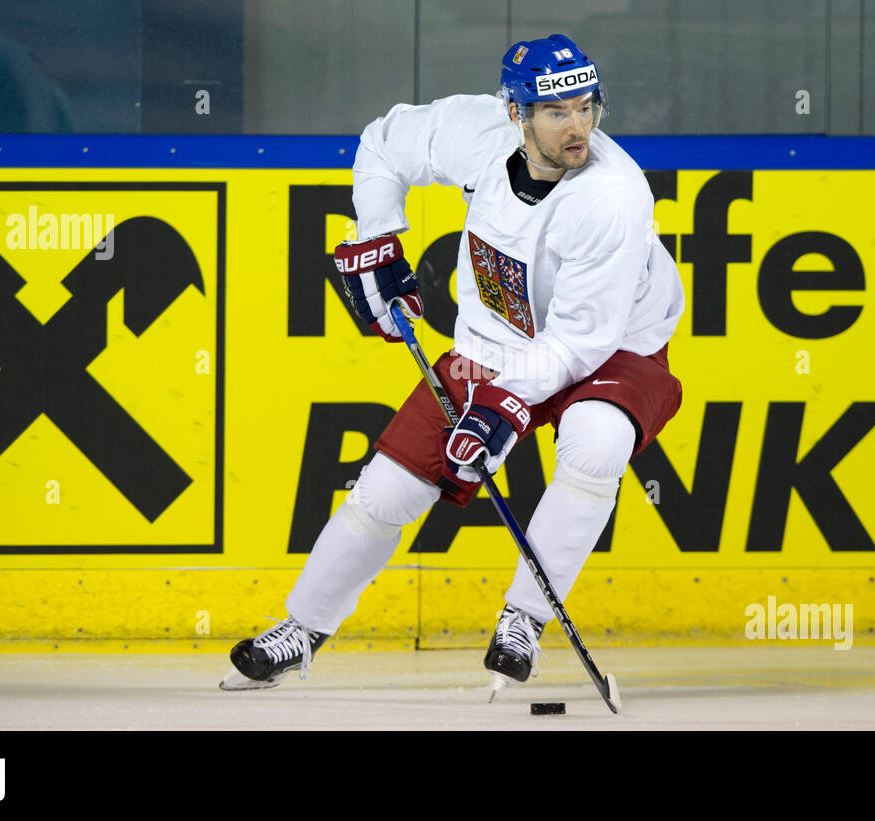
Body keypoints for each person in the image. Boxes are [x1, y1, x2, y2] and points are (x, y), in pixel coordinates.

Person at [221, 34, 684, 693]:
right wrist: (378, 235)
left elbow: (581, 340)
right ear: (515, 115)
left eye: (587, 107)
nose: (577, 127)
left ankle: (524, 617)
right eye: (557, 113)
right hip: (497, 340)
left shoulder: (613, 196)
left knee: (597, 441)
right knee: (386, 491)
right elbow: (383, 144)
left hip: (615, 342)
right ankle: (302, 627)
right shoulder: (473, 133)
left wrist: (504, 406)